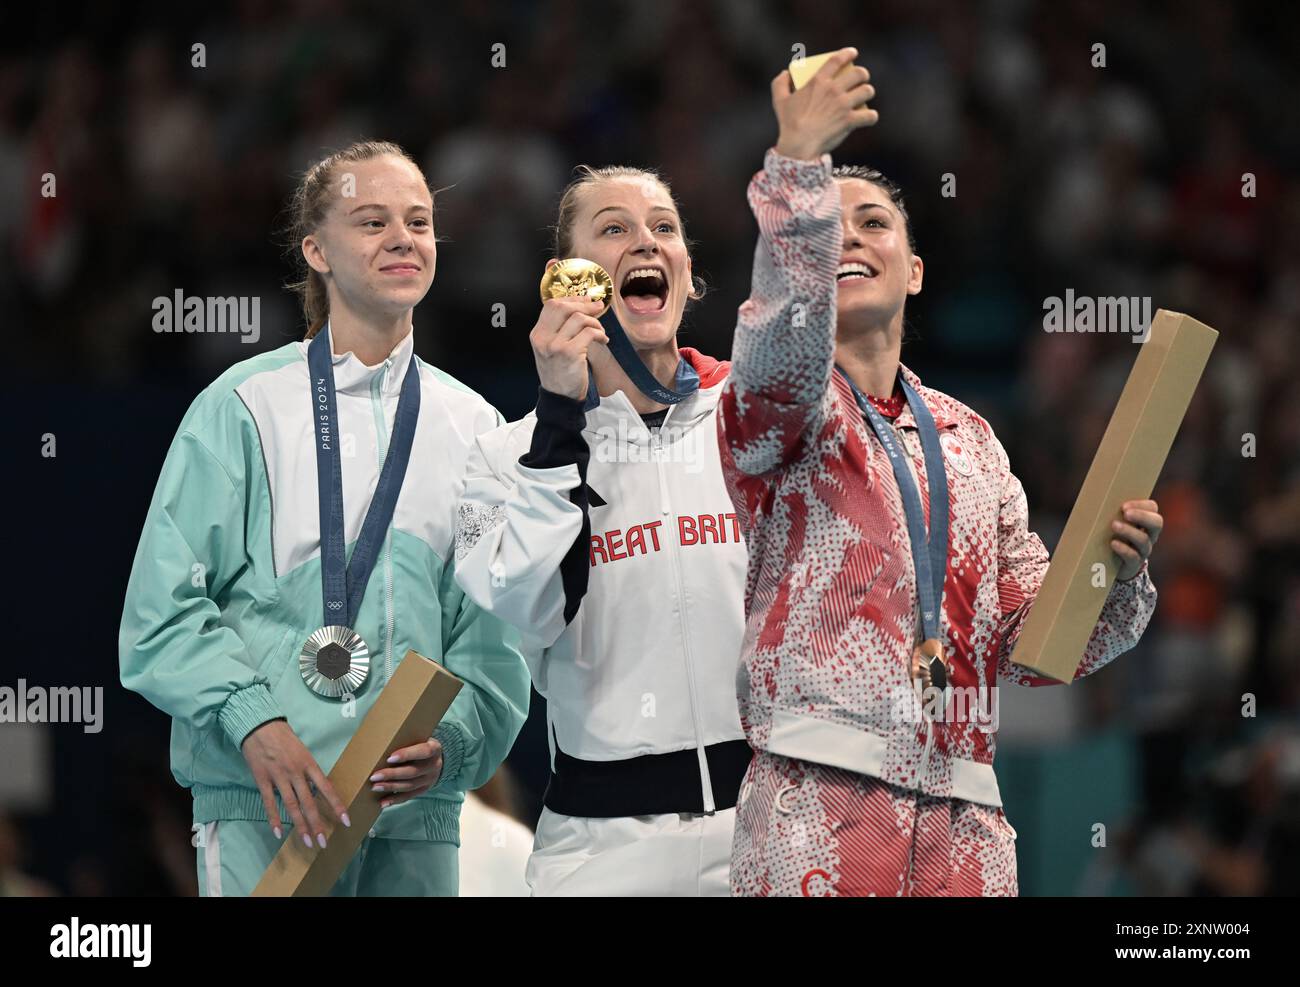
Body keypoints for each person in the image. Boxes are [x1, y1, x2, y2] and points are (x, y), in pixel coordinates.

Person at [718, 49, 1163, 896]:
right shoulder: (786, 406)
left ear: (915, 271)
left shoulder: (972, 439)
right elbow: (780, 338)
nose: (850, 236)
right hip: (819, 800)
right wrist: (797, 170)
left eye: (874, 222)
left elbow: (1034, 645)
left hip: (968, 819)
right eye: (832, 225)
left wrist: (1114, 572)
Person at [119, 140, 530, 896]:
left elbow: (494, 631)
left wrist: (453, 741)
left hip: (413, 820)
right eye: (372, 221)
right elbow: (161, 610)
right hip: (263, 804)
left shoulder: (476, 427)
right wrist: (251, 720)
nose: (402, 238)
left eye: (418, 221)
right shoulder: (240, 407)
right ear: (316, 250)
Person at [454, 165, 748, 895]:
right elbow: (529, 603)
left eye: (664, 228)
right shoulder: (500, 459)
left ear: (687, 273)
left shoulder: (754, 422)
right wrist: (560, 421)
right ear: (565, 282)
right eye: (614, 228)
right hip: (601, 849)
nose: (645, 241)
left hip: (768, 826)